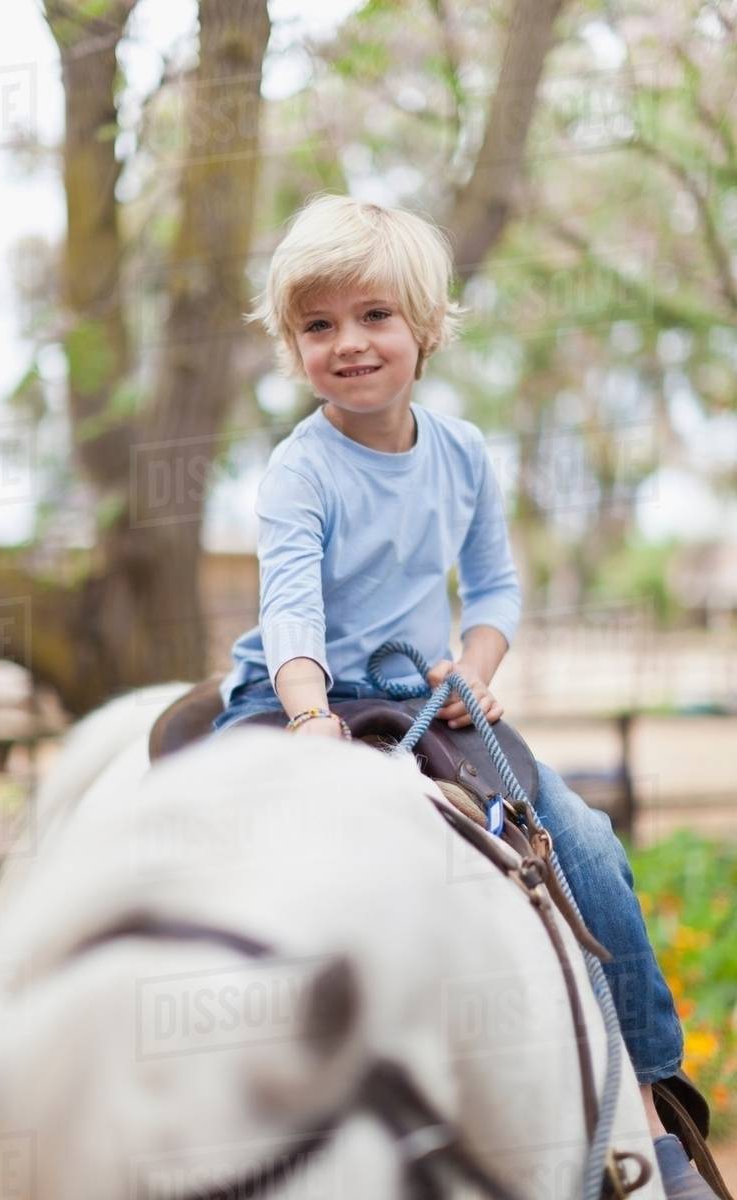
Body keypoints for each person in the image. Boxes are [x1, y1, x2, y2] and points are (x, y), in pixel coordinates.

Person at [214, 194, 713, 1197]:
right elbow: (291, 612)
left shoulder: (461, 455)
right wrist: (309, 717)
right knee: (233, 863)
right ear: (291, 345)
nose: (347, 344)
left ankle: (653, 1099)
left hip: (421, 700)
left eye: (372, 317)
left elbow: (492, 588)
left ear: (425, 328)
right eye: (318, 325)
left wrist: (474, 669)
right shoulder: (299, 469)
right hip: (296, 697)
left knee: (578, 839)